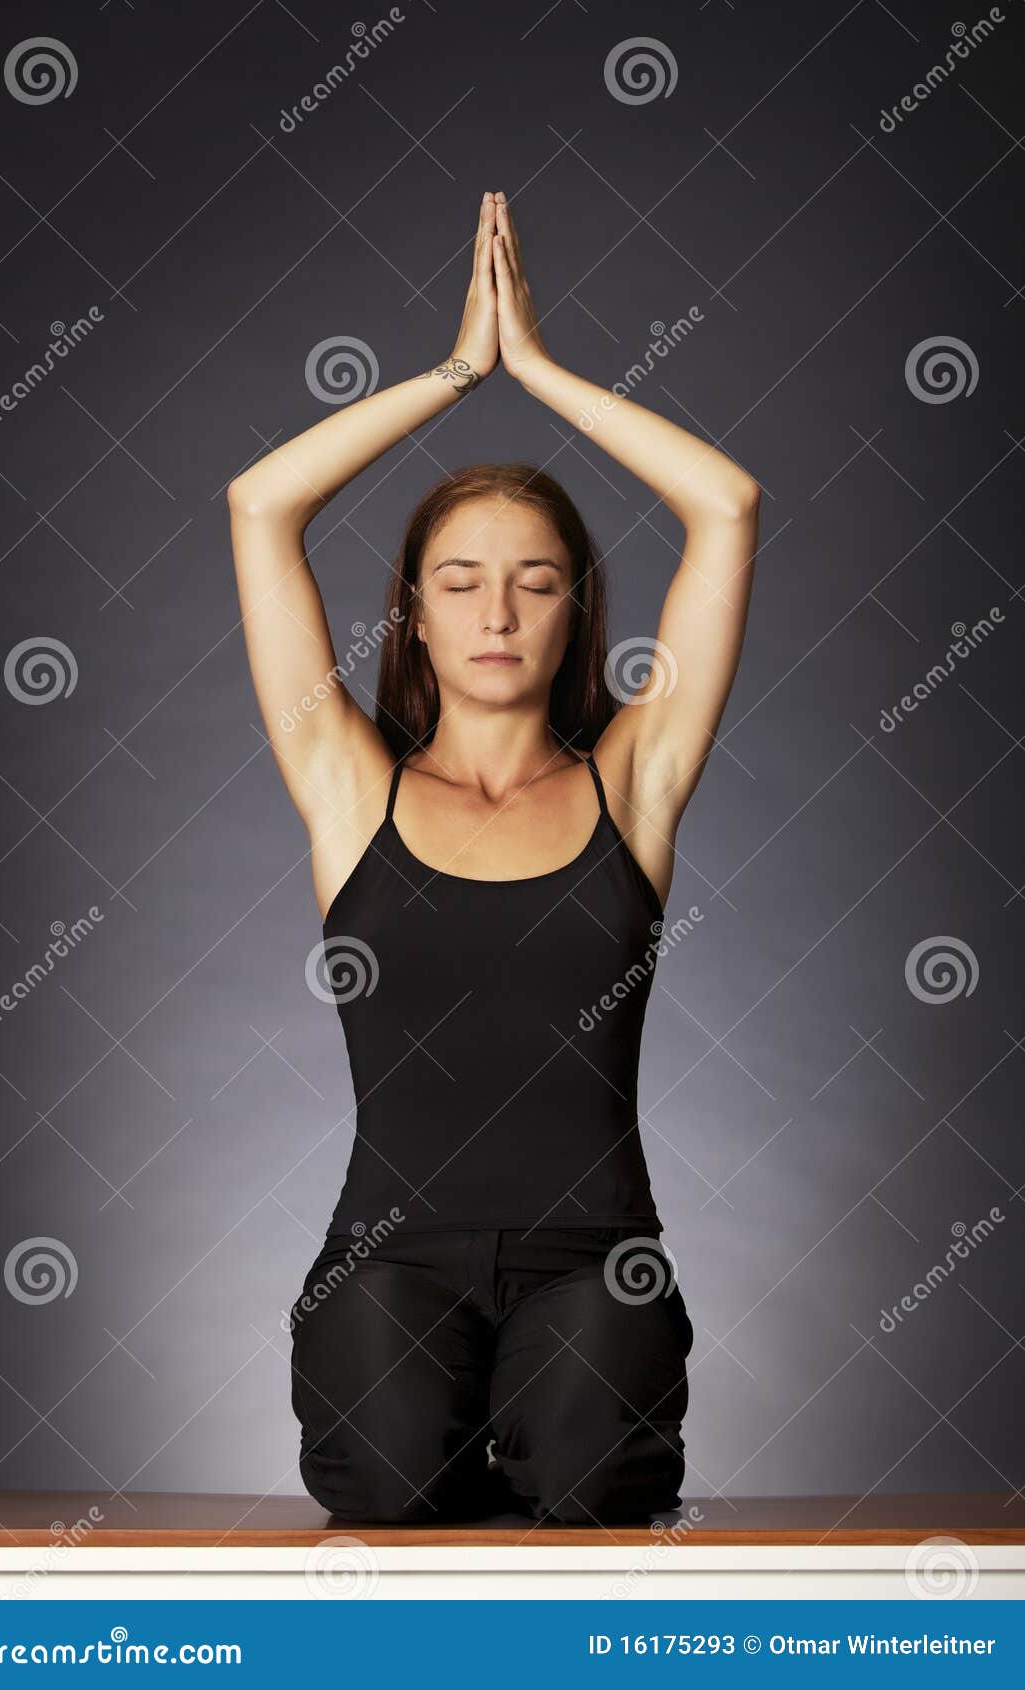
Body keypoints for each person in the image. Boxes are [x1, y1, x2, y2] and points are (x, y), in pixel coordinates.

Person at [228, 191, 760, 1525]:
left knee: (587, 1489)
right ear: (413, 614)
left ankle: (549, 1445)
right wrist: (460, 373)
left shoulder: (633, 781)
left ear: (577, 608)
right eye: (461, 580)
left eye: (537, 579)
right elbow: (259, 505)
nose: (499, 611)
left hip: (596, 1260)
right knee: (391, 1486)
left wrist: (545, 372)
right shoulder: (348, 786)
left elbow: (727, 505)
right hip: (389, 1258)